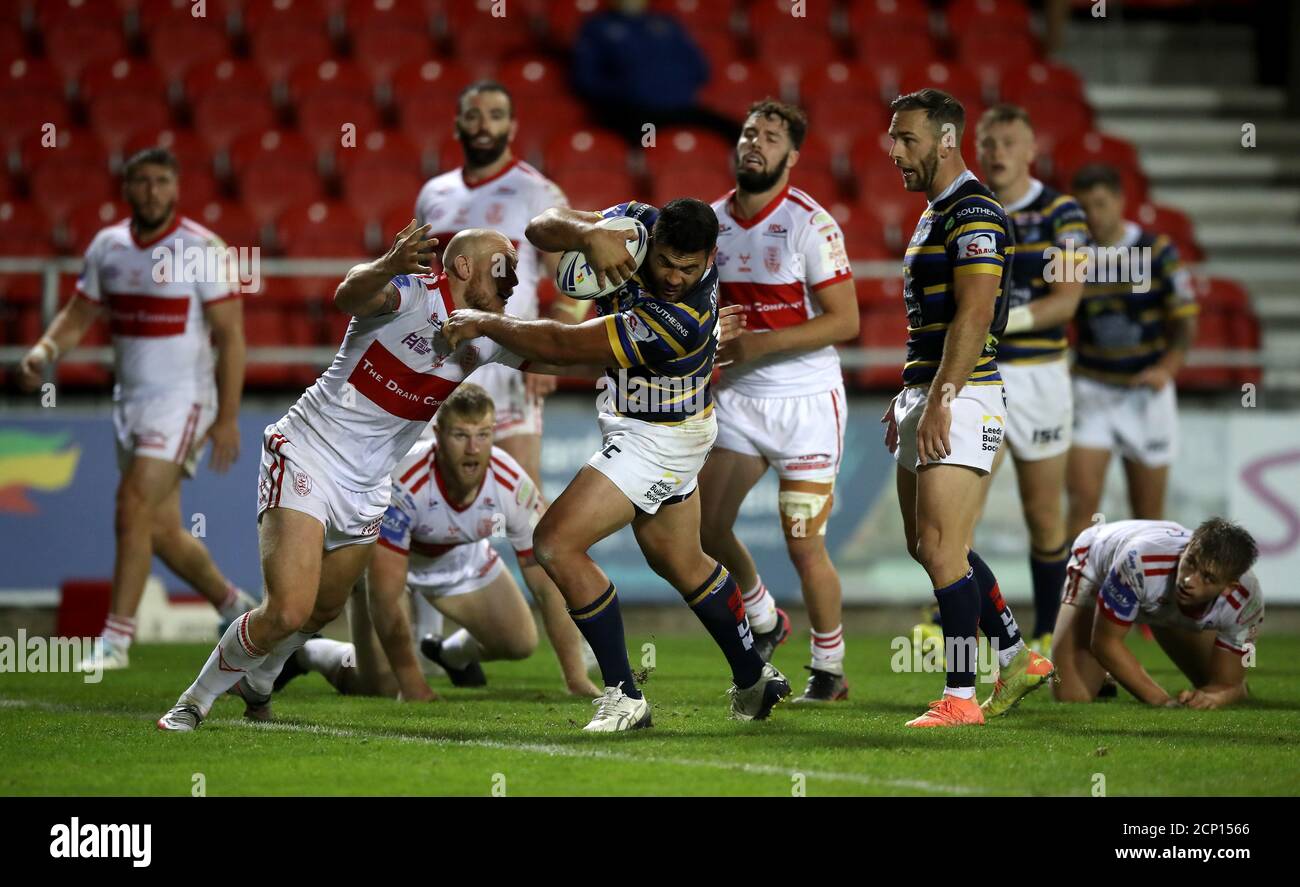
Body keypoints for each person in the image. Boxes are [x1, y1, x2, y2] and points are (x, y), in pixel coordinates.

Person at [157, 225, 528, 730]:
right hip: (309, 453)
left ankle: (259, 683)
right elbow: (348, 293)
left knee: (318, 613)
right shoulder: (410, 293)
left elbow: (560, 351)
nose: (510, 277)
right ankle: (194, 701)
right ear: (464, 267)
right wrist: (388, 264)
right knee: (286, 610)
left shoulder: (488, 335)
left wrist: (625, 328)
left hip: (370, 487)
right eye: (500, 264)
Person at [441, 197, 789, 732]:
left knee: (556, 543)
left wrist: (487, 324)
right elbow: (539, 226)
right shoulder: (638, 224)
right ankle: (753, 675)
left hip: (660, 438)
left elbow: (562, 345)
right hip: (667, 423)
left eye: (690, 268)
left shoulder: (681, 319)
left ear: (710, 257)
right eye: (667, 262)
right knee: (680, 559)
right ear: (656, 238)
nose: (675, 276)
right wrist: (587, 233)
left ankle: (625, 695)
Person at [18, 147, 253, 671]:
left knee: (130, 506)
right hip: (130, 403)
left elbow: (232, 337)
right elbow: (80, 313)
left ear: (176, 187)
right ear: (125, 188)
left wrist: (228, 416)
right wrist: (45, 351)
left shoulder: (201, 248)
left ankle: (115, 640)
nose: (151, 191)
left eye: (161, 181)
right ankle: (234, 606)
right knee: (161, 529)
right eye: (141, 181)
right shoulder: (109, 246)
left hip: (183, 402)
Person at [882, 89, 1053, 727]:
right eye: (893, 137)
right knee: (927, 544)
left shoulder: (974, 210)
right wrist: (910, 393)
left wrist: (942, 399)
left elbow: (976, 313)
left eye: (907, 139)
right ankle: (1015, 653)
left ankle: (959, 697)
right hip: (928, 391)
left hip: (963, 394)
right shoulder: (936, 212)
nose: (894, 150)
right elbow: (932, 319)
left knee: (940, 545)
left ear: (946, 139)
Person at [275, 385, 600, 699]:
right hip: (382, 560)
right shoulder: (405, 482)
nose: (473, 449)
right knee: (382, 686)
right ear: (439, 435)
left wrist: (576, 678)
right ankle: (311, 652)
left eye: (483, 435)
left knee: (519, 642)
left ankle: (449, 654)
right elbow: (387, 596)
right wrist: (413, 684)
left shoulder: (512, 485)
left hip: (456, 557)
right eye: (461, 435)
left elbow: (546, 585)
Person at [701, 99, 859, 702]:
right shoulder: (710, 221)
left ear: (792, 157)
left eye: (770, 136)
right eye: (747, 132)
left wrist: (761, 344)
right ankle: (764, 616)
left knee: (802, 542)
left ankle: (830, 668)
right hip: (740, 397)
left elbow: (845, 321)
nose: (754, 143)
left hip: (806, 403)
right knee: (707, 528)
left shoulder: (808, 223)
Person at [963, 103, 1089, 651]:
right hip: (979, 373)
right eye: (988, 142)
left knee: (1044, 516)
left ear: (1032, 150)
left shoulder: (1064, 213)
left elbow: (1067, 301)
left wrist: (999, 319)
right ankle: (959, 629)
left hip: (1039, 376)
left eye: (1009, 141)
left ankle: (1045, 635)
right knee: (957, 511)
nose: (997, 152)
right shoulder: (966, 208)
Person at [414, 79, 576, 487]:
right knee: (420, 492)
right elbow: (419, 273)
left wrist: (546, 352)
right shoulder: (434, 193)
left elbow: (573, 279)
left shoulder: (538, 192)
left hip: (508, 357)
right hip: (439, 356)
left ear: (512, 127)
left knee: (524, 493)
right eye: (473, 115)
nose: (484, 124)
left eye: (495, 115)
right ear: (457, 126)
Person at [1066, 164, 1198, 542]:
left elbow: (1186, 317)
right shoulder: (1071, 257)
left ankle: (1147, 601)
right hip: (1092, 389)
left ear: (1121, 201)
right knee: (1081, 509)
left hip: (1145, 393)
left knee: (1149, 519)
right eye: (1084, 207)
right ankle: (1078, 600)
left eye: (1101, 204)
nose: (1094, 215)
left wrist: (1167, 368)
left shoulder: (1157, 251)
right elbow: (1058, 316)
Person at [1052, 518, 1262, 709]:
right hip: (1097, 560)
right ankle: (1104, 675)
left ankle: (1157, 617)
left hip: (1154, 590)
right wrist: (1162, 700)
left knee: (1214, 684)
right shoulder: (1139, 560)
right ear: (1187, 549)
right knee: (1072, 695)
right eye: (1190, 562)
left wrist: (1216, 697)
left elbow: (1229, 684)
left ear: (1230, 587)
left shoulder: (1246, 600)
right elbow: (1104, 643)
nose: (1189, 581)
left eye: (1207, 577)